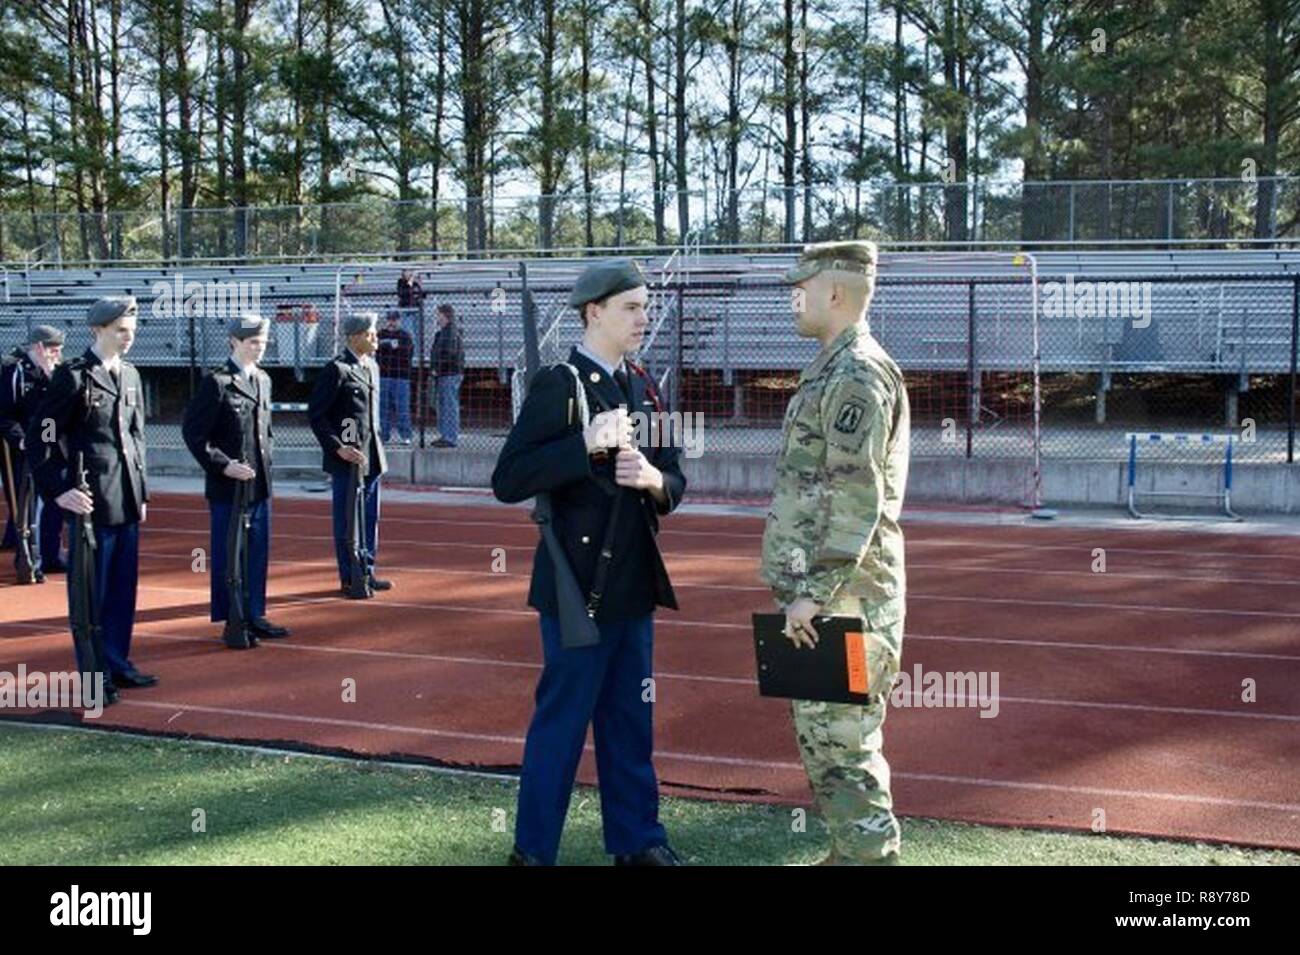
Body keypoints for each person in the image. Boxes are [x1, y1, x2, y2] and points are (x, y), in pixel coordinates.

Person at [492, 258, 687, 867]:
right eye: (631, 307)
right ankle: (533, 852)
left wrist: (655, 479)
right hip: (576, 587)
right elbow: (510, 478)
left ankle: (638, 842)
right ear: (593, 312)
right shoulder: (561, 383)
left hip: (631, 579)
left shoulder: (645, 386)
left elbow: (677, 476)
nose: (643, 317)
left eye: (645, 306)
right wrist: (584, 446)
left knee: (631, 722)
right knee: (562, 724)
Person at [759, 240, 911, 866]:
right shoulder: (831, 366)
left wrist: (811, 594)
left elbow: (855, 498)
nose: (794, 295)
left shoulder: (855, 375)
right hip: (827, 597)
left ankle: (871, 859)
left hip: (842, 600)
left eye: (804, 284)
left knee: (843, 744)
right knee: (825, 740)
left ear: (837, 293)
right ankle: (852, 853)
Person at [27, 296, 159, 697]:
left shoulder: (132, 375)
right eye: (120, 330)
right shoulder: (72, 377)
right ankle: (92, 674)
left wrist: (142, 492)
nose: (128, 337)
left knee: (122, 589)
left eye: (131, 330)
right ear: (98, 329)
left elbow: (136, 438)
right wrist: (58, 490)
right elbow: (42, 436)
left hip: (125, 498)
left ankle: (117, 660)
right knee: (91, 593)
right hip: (90, 500)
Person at [182, 315, 291, 648]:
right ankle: (233, 617)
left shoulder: (263, 380)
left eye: (262, 342)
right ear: (234, 342)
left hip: (258, 484)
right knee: (230, 554)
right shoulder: (217, 383)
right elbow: (194, 434)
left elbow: (264, 433)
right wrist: (223, 465)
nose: (259, 348)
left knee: (257, 553)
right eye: (252, 342)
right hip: (228, 486)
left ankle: (254, 613)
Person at [307, 310, 392, 594]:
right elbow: (318, 415)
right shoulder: (338, 369)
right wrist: (339, 447)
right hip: (347, 459)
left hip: (371, 456)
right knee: (347, 520)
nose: (375, 337)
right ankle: (349, 576)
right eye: (370, 333)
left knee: (369, 518)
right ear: (355, 337)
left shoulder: (372, 366)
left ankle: (366, 571)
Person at [0, 325, 68, 581]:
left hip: (52, 446)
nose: (58, 355)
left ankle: (51, 555)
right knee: (26, 507)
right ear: (39, 347)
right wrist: (20, 441)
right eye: (54, 350)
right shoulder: (13, 371)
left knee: (54, 500)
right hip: (24, 451)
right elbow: (5, 414)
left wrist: (53, 378)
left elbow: (59, 408)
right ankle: (28, 560)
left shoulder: (58, 372)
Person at [376, 310, 414, 446]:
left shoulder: (405, 336)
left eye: (394, 320)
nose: (392, 322)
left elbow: (406, 354)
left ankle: (406, 435)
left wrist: (389, 347)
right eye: (390, 319)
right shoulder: (380, 334)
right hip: (383, 376)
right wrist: (391, 346)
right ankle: (383, 435)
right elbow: (376, 350)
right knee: (383, 408)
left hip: (401, 377)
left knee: (402, 407)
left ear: (399, 321)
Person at [430, 303, 464, 447]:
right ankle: (446, 435)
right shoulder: (445, 332)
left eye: (438, 315)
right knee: (444, 405)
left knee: (449, 405)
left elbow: (449, 353)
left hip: (449, 373)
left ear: (445, 315)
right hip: (446, 372)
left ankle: (450, 437)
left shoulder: (450, 332)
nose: (437, 318)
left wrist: (437, 367)